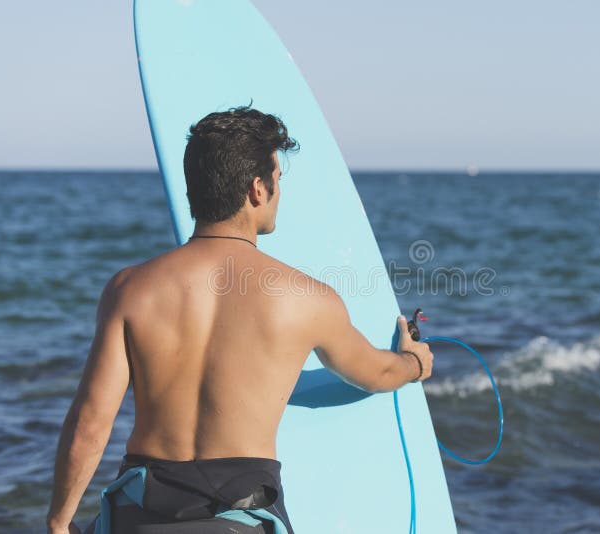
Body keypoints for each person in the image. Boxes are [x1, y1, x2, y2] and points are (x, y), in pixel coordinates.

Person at [45, 105, 434, 534]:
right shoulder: (307, 299)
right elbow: (374, 372)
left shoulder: (129, 290)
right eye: (277, 180)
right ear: (256, 190)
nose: (278, 192)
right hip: (240, 520)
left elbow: (90, 421)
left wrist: (59, 523)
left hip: (139, 514)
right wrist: (414, 363)